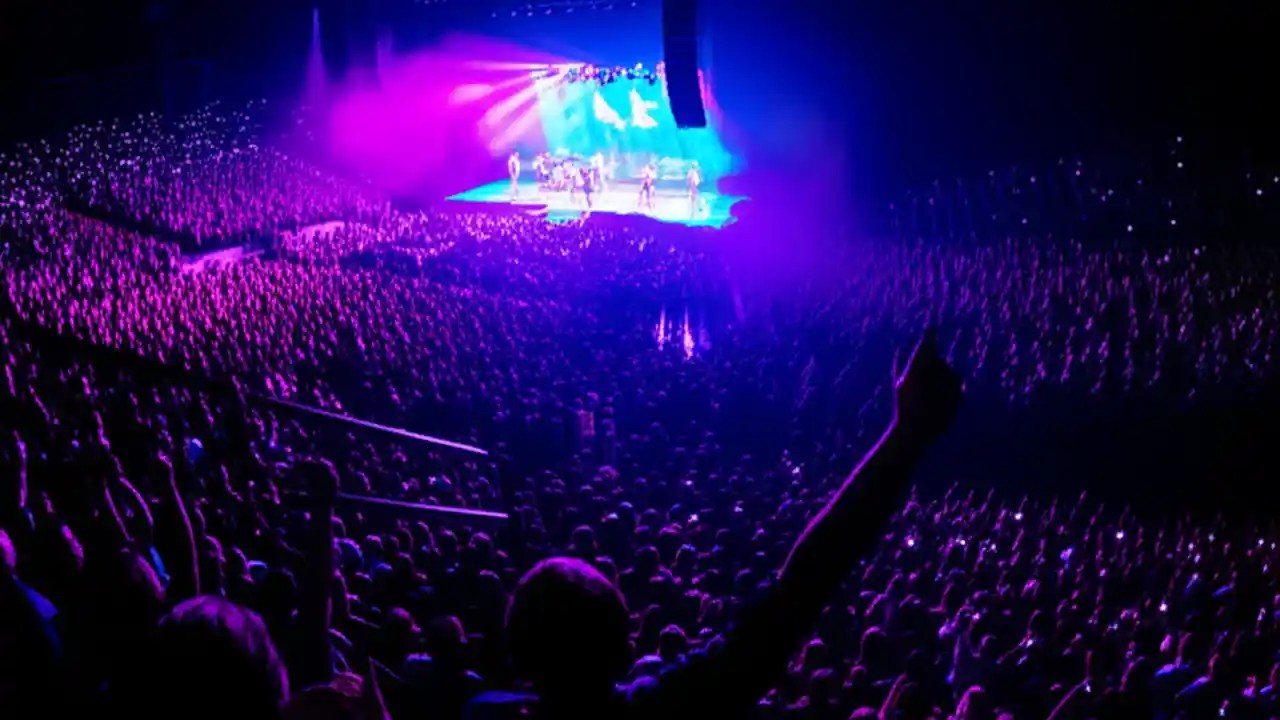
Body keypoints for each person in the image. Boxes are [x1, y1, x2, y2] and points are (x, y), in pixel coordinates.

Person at [470, 330, 963, 720]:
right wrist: (906, 435)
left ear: (519, 653)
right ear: (624, 651)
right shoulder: (664, 711)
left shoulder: (479, 713)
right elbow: (795, 596)